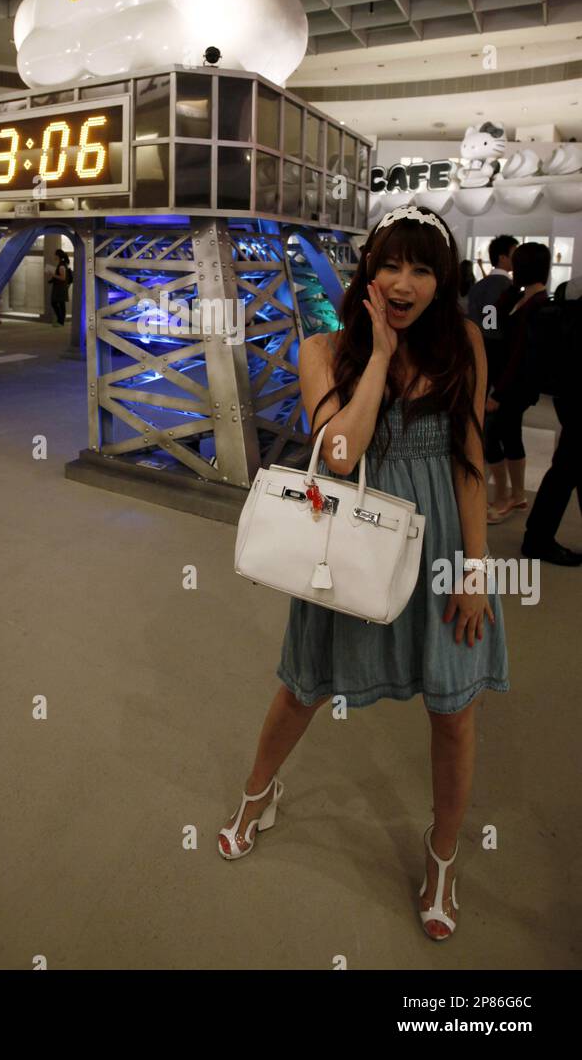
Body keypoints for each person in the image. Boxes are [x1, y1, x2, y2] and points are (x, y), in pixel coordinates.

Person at [219, 206, 508, 944]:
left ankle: (441, 856)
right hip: (346, 541)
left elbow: (471, 467)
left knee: (454, 710)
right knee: (303, 685)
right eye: (390, 265)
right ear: (367, 272)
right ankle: (259, 794)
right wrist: (379, 357)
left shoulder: (465, 344)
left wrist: (476, 572)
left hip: (439, 539)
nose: (404, 283)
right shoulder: (322, 349)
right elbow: (340, 456)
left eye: (422, 269)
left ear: (443, 281)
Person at [484, 242, 550, 523]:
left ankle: (506, 497)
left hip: (515, 385)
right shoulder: (522, 297)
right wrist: (513, 289)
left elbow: (520, 353)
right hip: (509, 382)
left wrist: (498, 392)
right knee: (506, 436)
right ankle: (513, 495)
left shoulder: (538, 304)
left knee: (497, 436)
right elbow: (494, 315)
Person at [519, 280, 582, 565]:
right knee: (566, 469)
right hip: (575, 391)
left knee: (570, 467)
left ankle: (538, 537)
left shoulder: (571, 289)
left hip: (566, 389)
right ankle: (537, 539)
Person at [465, 234, 517, 382]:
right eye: (514, 254)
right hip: (490, 348)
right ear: (502, 257)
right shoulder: (502, 284)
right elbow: (490, 323)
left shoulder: (482, 283)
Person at [48, 249, 72, 326]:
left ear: (58, 256)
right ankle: (60, 321)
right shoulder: (62, 264)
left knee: (56, 303)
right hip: (60, 287)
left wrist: (53, 274)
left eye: (55, 255)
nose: (54, 256)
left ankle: (60, 321)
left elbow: (63, 277)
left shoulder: (61, 265)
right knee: (60, 304)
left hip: (60, 288)